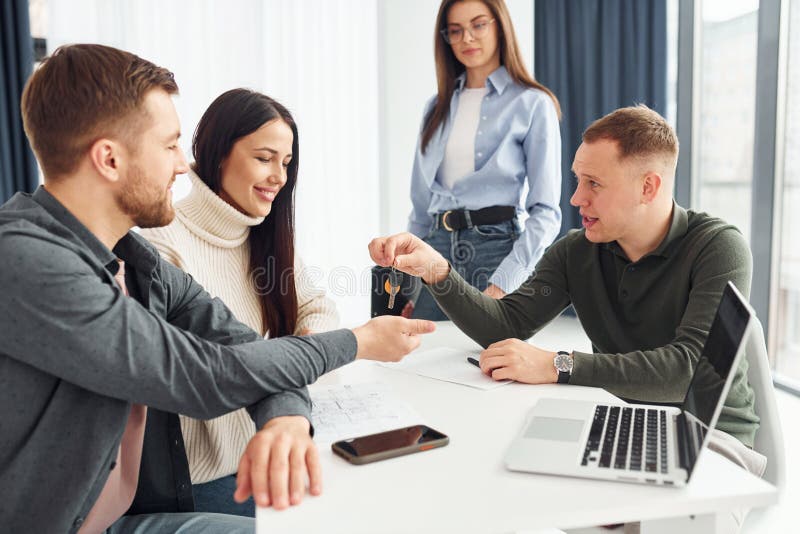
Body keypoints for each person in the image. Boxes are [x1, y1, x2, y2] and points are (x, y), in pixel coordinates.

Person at [0, 43, 434, 534]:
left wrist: (286, 416)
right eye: (169, 146)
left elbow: (240, 346)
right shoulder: (27, 262)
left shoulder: (131, 259)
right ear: (110, 159)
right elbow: (205, 374)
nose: (182, 166)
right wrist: (357, 341)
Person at [372, 105, 765, 532]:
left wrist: (558, 364)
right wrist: (437, 271)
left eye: (594, 183)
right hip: (618, 421)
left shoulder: (718, 248)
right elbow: (505, 325)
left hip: (709, 438)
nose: (576, 198)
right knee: (494, 487)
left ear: (648, 187)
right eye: (578, 180)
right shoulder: (577, 251)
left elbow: (686, 371)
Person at [138, 89, 338, 516]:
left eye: (286, 163)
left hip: (266, 447)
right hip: (202, 479)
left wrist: (302, 350)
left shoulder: (266, 237)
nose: (279, 177)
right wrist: (293, 362)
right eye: (265, 158)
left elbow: (318, 307)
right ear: (218, 156)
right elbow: (196, 370)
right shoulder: (162, 242)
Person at [406, 0, 562, 320]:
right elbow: (420, 211)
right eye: (455, 30)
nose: (467, 38)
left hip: (496, 252)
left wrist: (504, 281)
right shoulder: (434, 108)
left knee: (489, 351)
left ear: (500, 27)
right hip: (435, 251)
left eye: (478, 25)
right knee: (422, 347)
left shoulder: (533, 103)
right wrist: (406, 287)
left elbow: (546, 211)